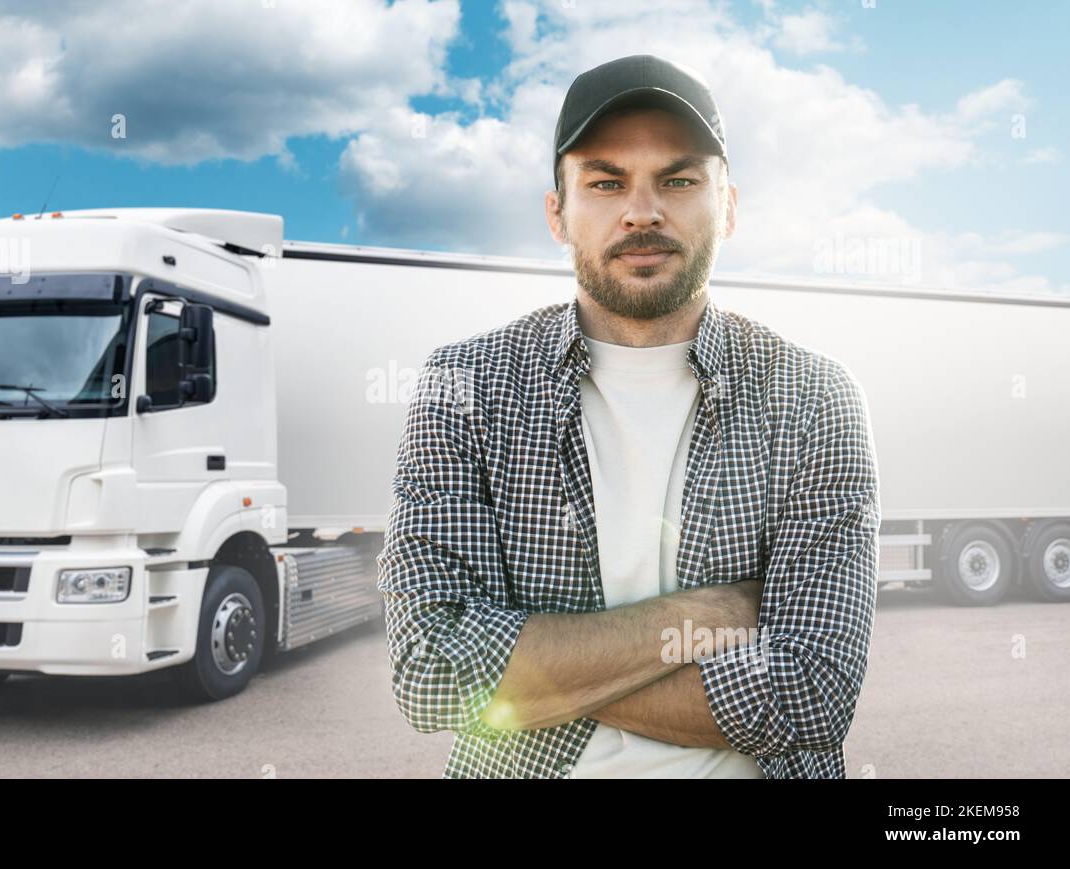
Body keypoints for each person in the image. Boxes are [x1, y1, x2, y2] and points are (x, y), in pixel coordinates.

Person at [377, 54, 881, 778]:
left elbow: (810, 693)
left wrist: (539, 667)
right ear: (557, 212)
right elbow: (430, 669)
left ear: (729, 207)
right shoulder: (464, 387)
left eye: (677, 180)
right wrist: (696, 619)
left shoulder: (814, 396)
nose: (641, 211)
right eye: (606, 182)